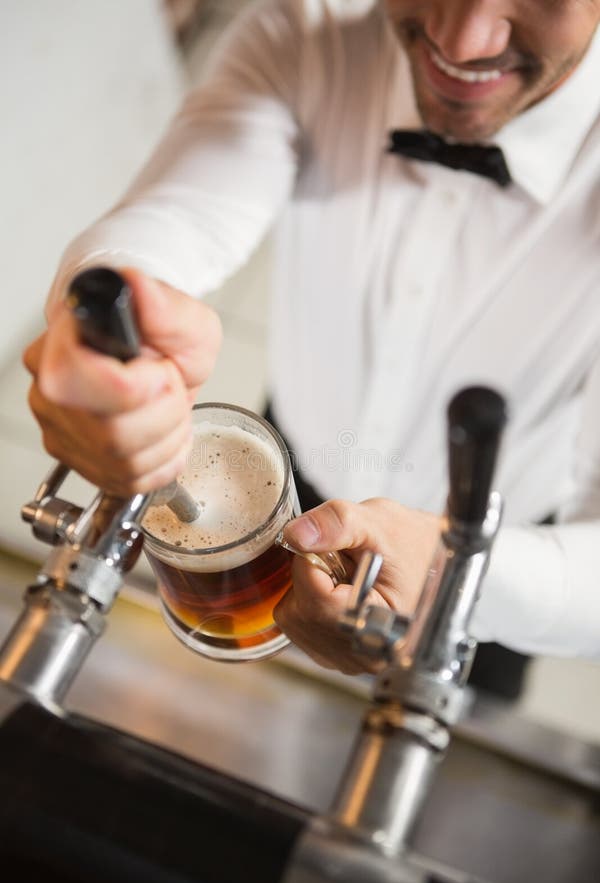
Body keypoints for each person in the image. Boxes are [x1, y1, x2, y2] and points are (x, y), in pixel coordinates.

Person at [24, 1, 600, 690]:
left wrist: (459, 578)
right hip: (286, 476)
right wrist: (103, 340)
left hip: (501, 551)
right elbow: (174, 220)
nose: (461, 39)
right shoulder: (307, 29)